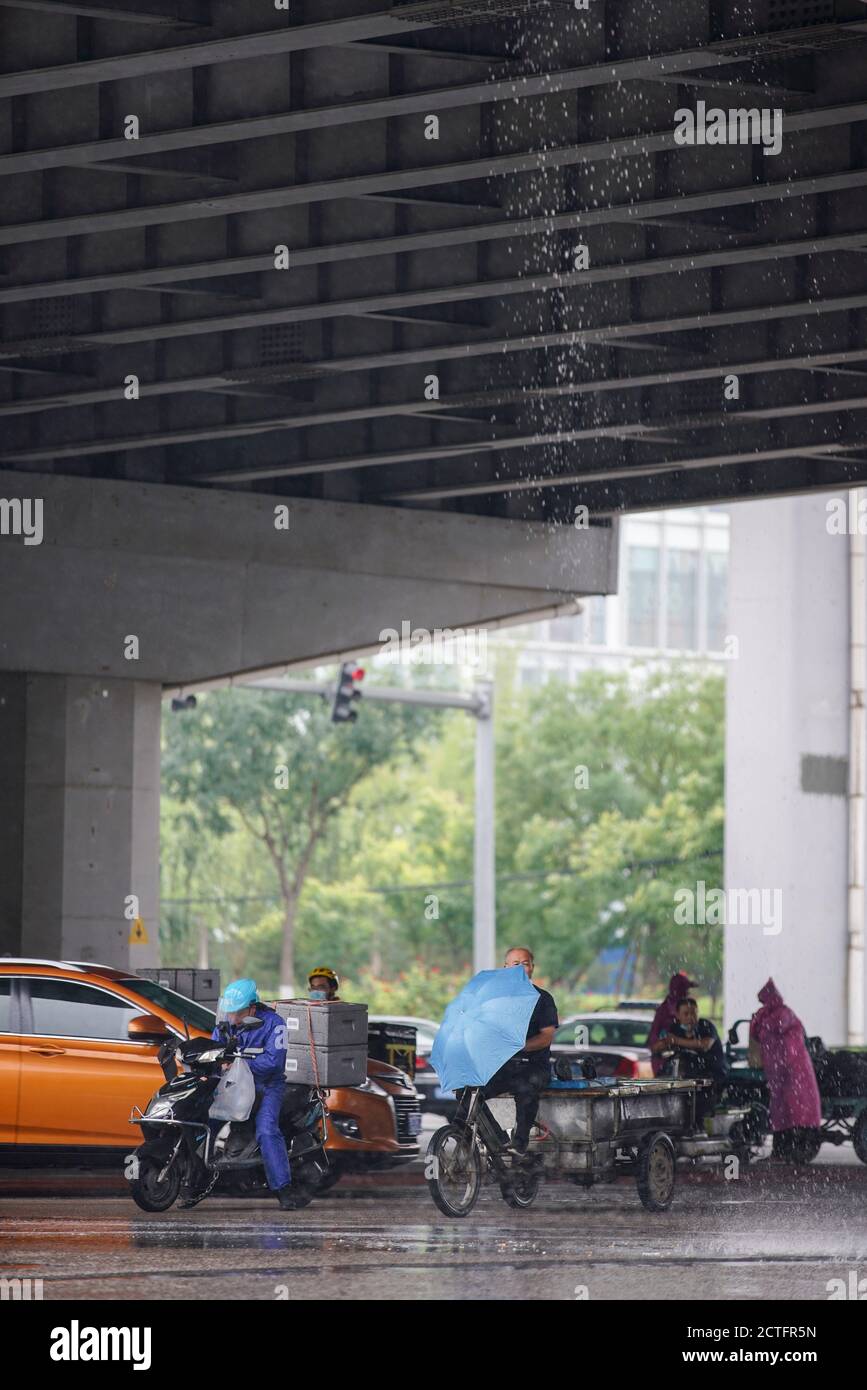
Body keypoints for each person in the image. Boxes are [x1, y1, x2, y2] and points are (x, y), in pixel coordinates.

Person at [208, 978, 296, 1210]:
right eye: (229, 1012)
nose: (233, 1018)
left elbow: (274, 1062)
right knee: (205, 1120)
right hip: (232, 1084)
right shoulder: (225, 1025)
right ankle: (196, 1178)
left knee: (267, 1131)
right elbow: (214, 1051)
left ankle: (283, 1189)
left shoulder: (275, 1024)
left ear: (252, 1008)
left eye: (238, 1013)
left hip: (266, 1086)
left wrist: (237, 1065)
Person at [483, 947, 559, 1154]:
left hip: (533, 1067)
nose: (519, 968)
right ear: (505, 968)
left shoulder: (543, 999)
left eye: (524, 964)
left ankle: (519, 1143)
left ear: (532, 968)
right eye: (514, 964)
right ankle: (498, 1141)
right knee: (466, 1092)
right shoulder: (496, 1002)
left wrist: (518, 1047)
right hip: (504, 1067)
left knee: (526, 1087)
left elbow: (546, 1037)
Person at [749, 978, 821, 1158]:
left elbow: (765, 1039)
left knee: (787, 1108)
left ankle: (786, 1148)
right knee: (790, 1108)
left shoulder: (769, 1016)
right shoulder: (780, 1014)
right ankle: (788, 1149)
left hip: (788, 1070)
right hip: (789, 1069)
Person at [653, 996, 726, 1121]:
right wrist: (663, 1044)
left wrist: (676, 1040)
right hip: (686, 1078)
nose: (690, 1018)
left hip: (711, 1077)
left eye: (693, 1013)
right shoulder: (674, 1028)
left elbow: (704, 1045)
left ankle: (697, 1125)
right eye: (686, 1014)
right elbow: (658, 1047)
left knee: (697, 1106)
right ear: (678, 1015)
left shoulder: (706, 1026)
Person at [647, 971, 698, 1076]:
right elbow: (656, 1043)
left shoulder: (673, 1007)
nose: (688, 993)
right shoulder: (666, 1011)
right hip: (665, 1065)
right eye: (686, 989)